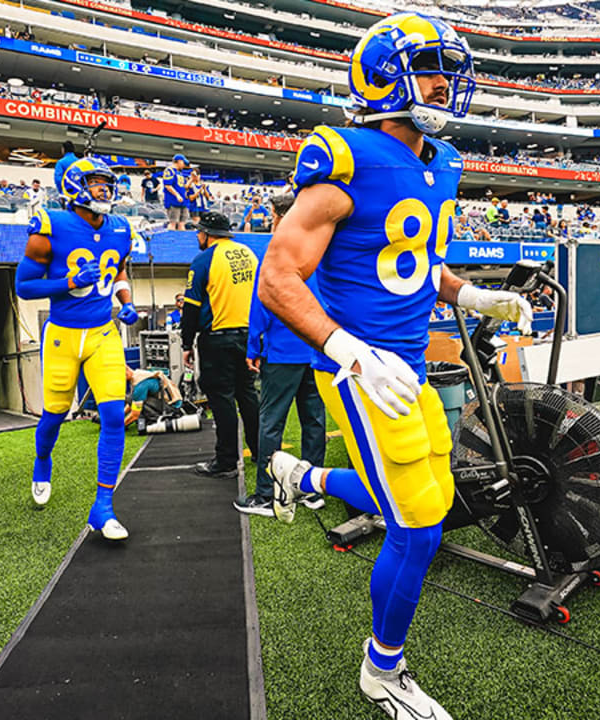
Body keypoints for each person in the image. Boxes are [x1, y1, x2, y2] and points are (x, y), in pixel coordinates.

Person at [258, 14, 531, 718]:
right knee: (418, 523)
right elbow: (279, 276)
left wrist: (472, 293)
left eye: (450, 68)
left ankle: (302, 474)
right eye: (432, 65)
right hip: (358, 366)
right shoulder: (345, 156)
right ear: (380, 74)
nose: (446, 80)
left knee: (426, 493)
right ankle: (383, 669)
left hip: (406, 360)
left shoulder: (441, 163)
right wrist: (347, 349)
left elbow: (415, 259)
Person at [15, 158, 142, 540]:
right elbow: (25, 286)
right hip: (63, 335)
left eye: (107, 183)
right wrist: (67, 281)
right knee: (53, 416)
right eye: (95, 183)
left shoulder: (121, 227)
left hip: (103, 332)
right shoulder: (50, 225)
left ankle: (103, 507)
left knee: (115, 416)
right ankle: (42, 459)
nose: (104, 190)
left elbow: (117, 269)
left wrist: (125, 300)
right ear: (74, 186)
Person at [236, 196, 327, 516]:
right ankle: (312, 489)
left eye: (273, 216)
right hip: (318, 349)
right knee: (314, 420)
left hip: (284, 351)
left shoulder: (278, 249)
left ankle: (266, 493)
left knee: (271, 421)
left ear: (280, 217)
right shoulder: (322, 248)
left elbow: (264, 299)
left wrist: (253, 346)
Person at [178, 211, 260, 476]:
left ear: (207, 234)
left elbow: (190, 306)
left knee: (222, 400)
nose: (197, 236)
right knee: (247, 395)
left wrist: (186, 342)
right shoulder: (248, 253)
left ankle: (225, 462)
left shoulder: (203, 260)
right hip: (247, 336)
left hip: (217, 338)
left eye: (199, 232)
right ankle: (262, 453)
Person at [162, 154, 189, 230]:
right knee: (173, 222)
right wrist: (177, 195)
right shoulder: (169, 170)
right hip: (173, 201)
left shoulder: (180, 173)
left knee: (182, 223)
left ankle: (181, 240)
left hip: (183, 202)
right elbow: (168, 185)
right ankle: (170, 239)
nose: (184, 165)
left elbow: (184, 186)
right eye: (183, 163)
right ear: (179, 161)